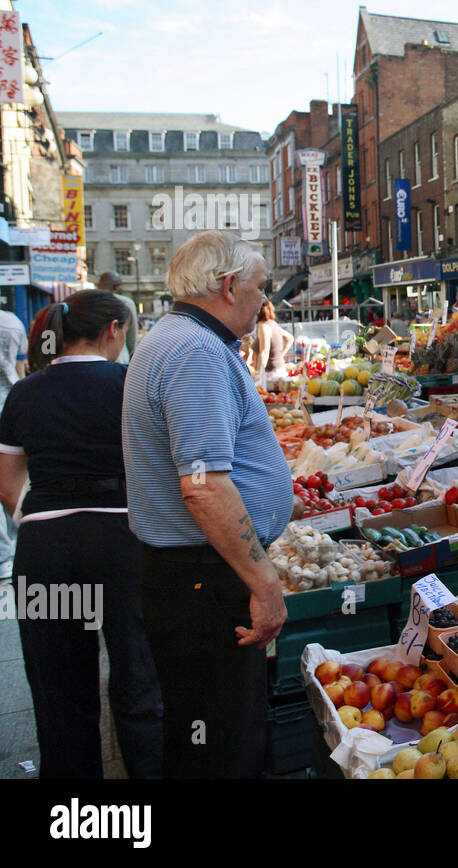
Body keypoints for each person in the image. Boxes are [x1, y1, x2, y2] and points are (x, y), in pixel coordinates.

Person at [122, 230, 292, 778]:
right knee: (219, 740)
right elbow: (203, 485)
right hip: (203, 578)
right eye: (260, 288)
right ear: (226, 285)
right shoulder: (193, 350)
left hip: (193, 574)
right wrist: (265, 584)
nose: (264, 303)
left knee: (207, 727)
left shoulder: (175, 338)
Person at [0, 292, 164, 778]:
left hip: (46, 549)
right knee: (139, 679)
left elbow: (8, 486)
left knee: (59, 690)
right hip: (123, 541)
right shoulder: (131, 383)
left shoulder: (24, 392)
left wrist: (45, 513)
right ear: (114, 330)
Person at [0, 307, 26, 581]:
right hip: (9, 400)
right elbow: (20, 368)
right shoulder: (12, 321)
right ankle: (15, 537)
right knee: (12, 478)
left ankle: (2, 552)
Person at [97, 271, 139, 365]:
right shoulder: (127, 303)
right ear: (116, 286)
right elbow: (132, 340)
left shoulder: (87, 302)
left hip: (93, 361)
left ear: (99, 284)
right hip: (119, 360)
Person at [250, 299, 293, 387]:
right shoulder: (273, 324)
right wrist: (280, 355)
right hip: (279, 370)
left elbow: (264, 351)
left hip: (270, 375)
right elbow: (289, 338)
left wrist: (258, 374)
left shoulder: (264, 326)